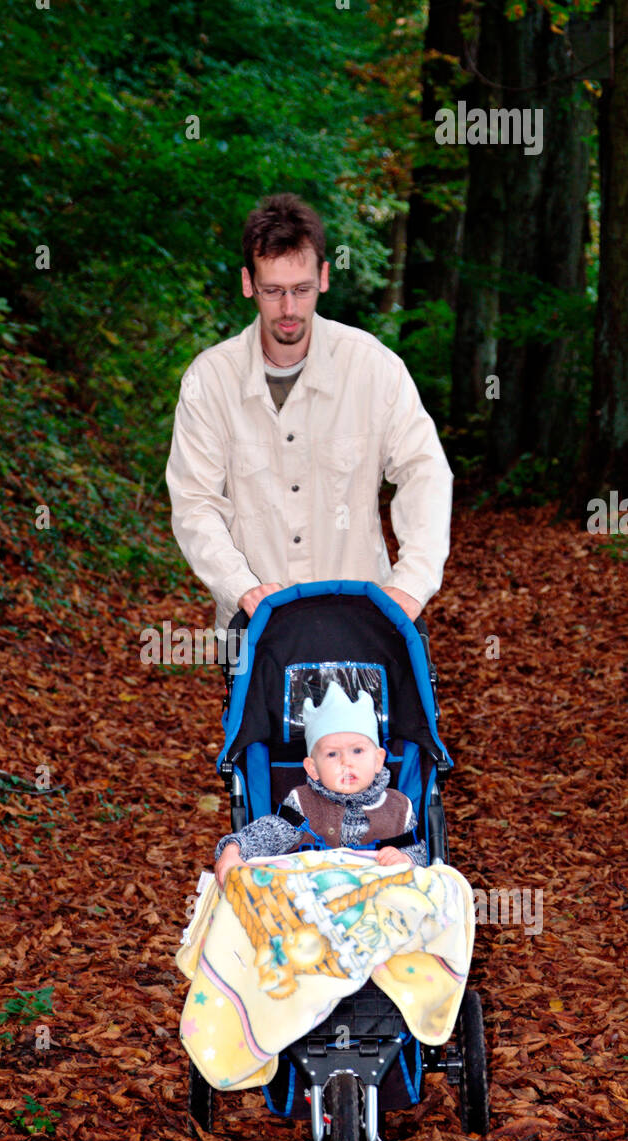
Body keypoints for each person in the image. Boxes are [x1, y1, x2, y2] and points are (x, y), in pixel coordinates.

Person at [166, 193, 453, 632]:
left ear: (323, 276)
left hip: (363, 626)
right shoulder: (209, 381)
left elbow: (425, 471)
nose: (289, 310)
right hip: (255, 630)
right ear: (248, 283)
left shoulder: (373, 368)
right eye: (273, 291)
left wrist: (411, 586)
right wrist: (241, 585)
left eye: (301, 290)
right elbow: (194, 503)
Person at [213, 684, 427, 888]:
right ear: (313, 768)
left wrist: (406, 859)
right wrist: (234, 850)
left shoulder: (399, 808)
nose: (346, 762)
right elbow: (266, 835)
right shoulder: (303, 806)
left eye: (358, 751)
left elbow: (422, 856)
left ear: (379, 760)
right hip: (313, 906)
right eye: (332, 754)